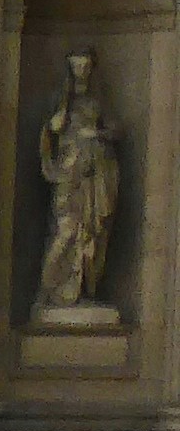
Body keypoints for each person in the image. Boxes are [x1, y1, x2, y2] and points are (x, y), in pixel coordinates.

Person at [38, 46, 126, 315]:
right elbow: (50, 132)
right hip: (69, 172)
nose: (82, 73)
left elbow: (115, 129)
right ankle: (52, 289)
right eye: (77, 67)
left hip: (95, 172)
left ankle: (84, 290)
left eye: (86, 67)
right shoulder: (62, 102)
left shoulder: (97, 103)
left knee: (92, 232)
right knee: (66, 231)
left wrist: (96, 134)